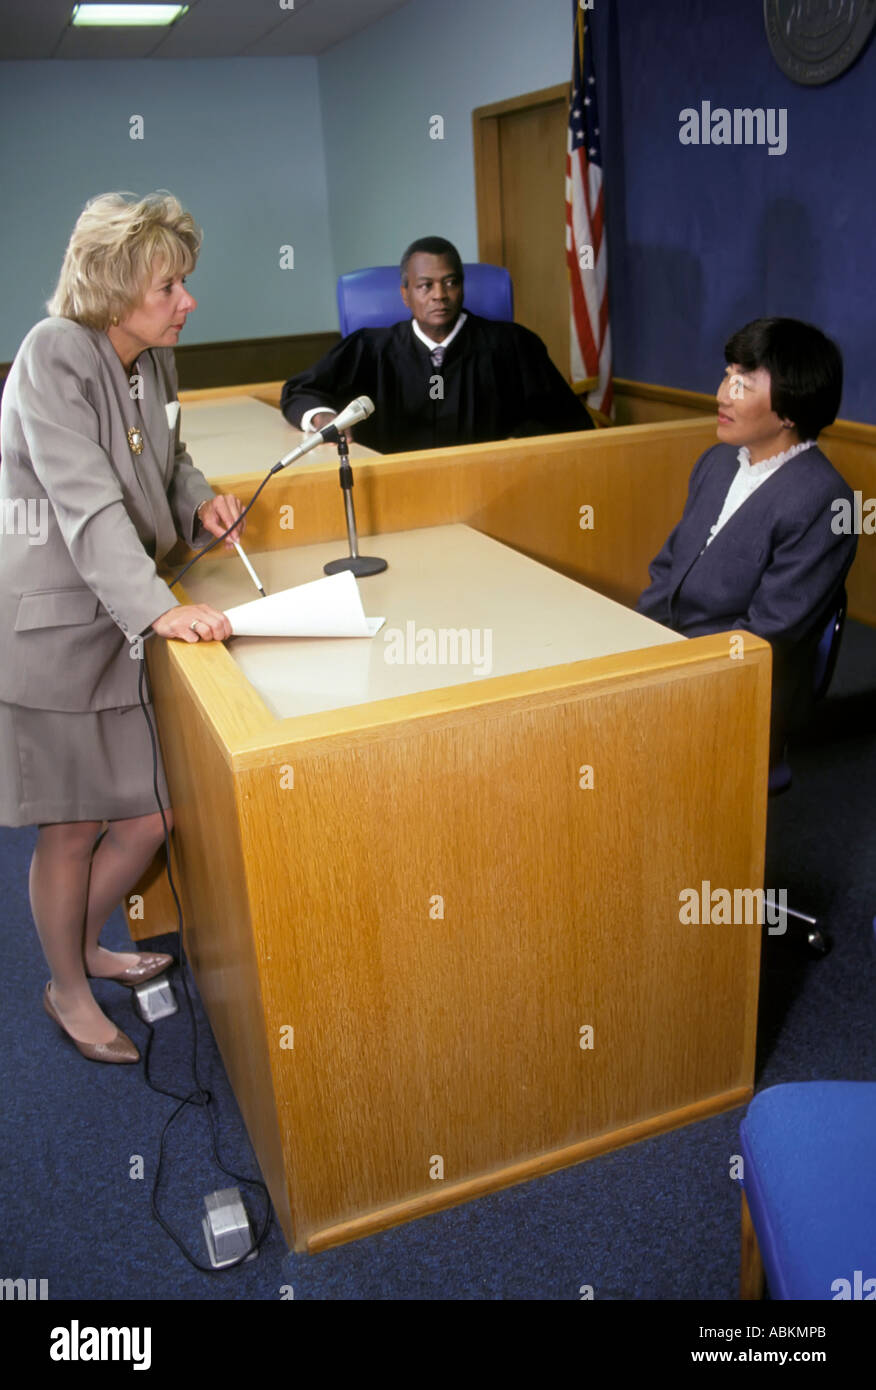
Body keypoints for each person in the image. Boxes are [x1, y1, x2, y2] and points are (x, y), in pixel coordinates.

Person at [0, 191, 244, 1063]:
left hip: (123, 618)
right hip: (58, 633)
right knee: (68, 828)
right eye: (169, 286)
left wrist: (200, 503)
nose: (187, 301)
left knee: (151, 817)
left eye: (184, 281)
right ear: (112, 287)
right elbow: (90, 504)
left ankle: (88, 942)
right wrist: (161, 607)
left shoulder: (153, 362)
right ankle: (68, 987)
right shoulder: (52, 357)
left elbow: (168, 460)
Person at [636, 317, 857, 761]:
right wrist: (633, 641)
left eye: (744, 383)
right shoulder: (716, 462)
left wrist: (667, 672)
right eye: (727, 376)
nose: (722, 395)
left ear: (791, 409)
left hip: (741, 686)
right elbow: (668, 569)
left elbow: (768, 633)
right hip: (676, 660)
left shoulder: (829, 502)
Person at [280, 236, 594, 452]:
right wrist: (324, 419)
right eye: (425, 285)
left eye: (450, 282)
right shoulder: (370, 348)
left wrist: (515, 445)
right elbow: (299, 390)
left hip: (495, 489)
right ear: (405, 294)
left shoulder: (513, 345)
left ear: (462, 287)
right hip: (394, 492)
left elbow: (570, 421)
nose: (439, 295)